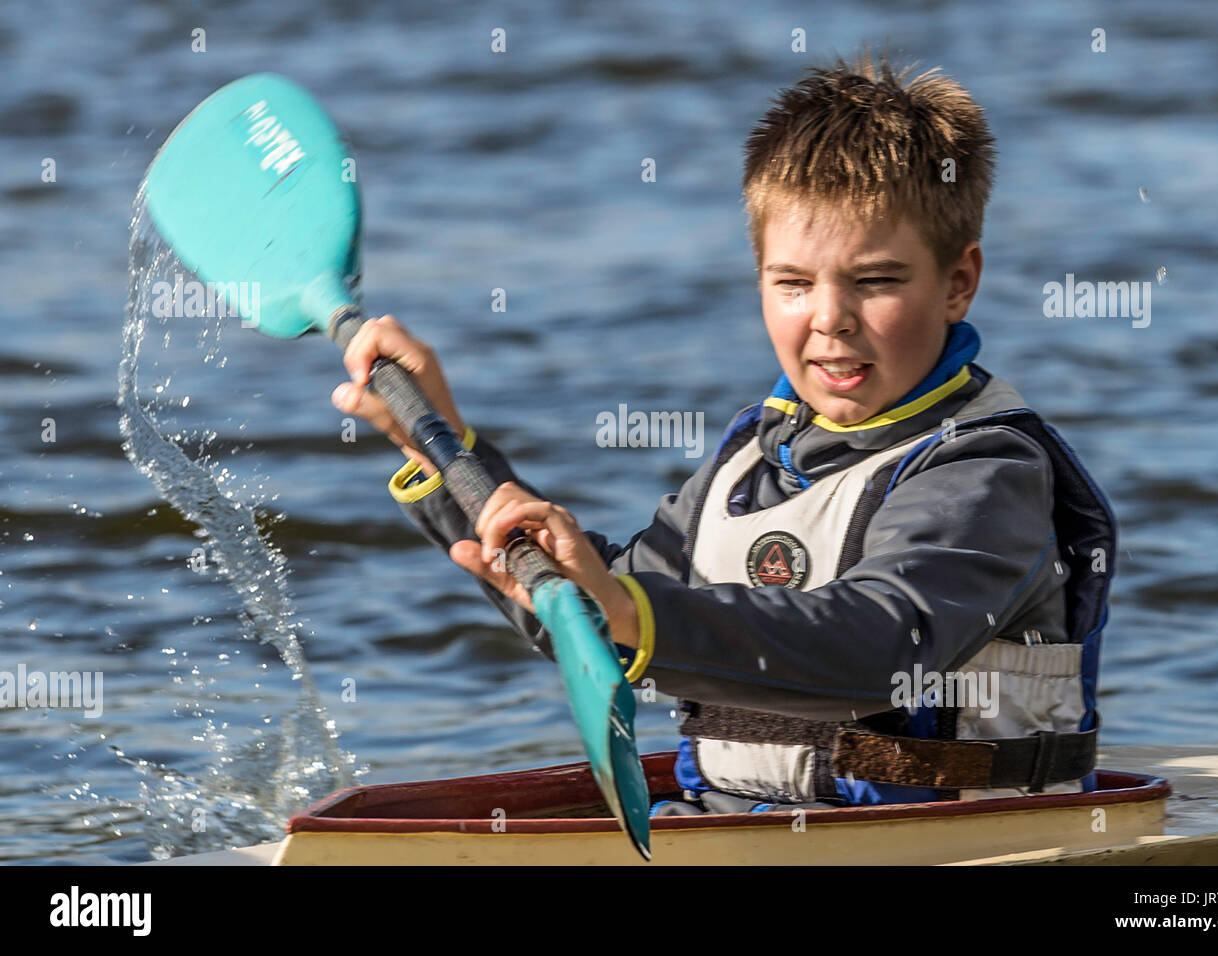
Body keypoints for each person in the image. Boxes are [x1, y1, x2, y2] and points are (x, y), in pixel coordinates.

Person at [331, 52, 1116, 814]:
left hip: (949, 836)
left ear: (958, 283)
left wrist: (630, 608)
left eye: (876, 280)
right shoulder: (749, 464)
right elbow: (601, 614)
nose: (829, 317)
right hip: (736, 819)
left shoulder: (985, 471)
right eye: (793, 283)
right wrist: (443, 448)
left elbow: (880, 648)